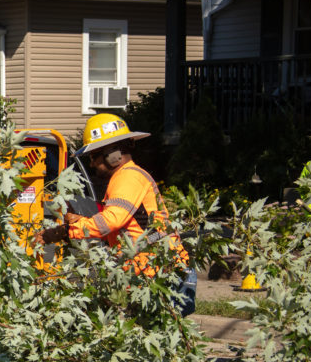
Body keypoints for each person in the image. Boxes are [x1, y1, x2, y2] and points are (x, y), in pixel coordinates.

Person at [34, 113, 195, 315]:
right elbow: (120, 224)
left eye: (93, 156)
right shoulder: (124, 178)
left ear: (113, 154)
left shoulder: (128, 177)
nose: (91, 164)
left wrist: (64, 231)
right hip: (152, 271)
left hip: (160, 272)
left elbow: (110, 221)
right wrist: (79, 220)